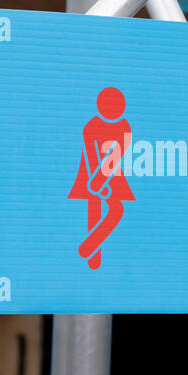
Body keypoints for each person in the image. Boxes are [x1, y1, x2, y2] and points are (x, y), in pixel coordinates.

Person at [69, 87, 134, 270]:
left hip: (109, 176)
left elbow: (117, 153)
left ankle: (89, 249)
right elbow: (91, 154)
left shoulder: (124, 127)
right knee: (93, 210)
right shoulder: (91, 126)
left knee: (117, 210)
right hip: (90, 175)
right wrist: (95, 184)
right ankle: (93, 258)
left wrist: (100, 182)